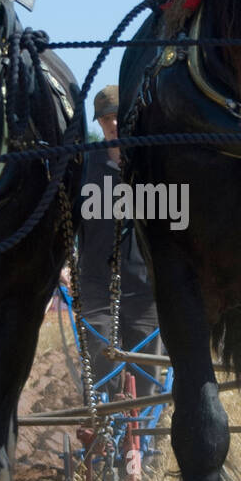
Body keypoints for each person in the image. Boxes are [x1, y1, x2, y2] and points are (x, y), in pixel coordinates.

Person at [75, 85, 162, 397]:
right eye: (105, 119)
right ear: (98, 124)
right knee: (101, 365)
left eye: (118, 117)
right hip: (96, 284)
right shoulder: (84, 167)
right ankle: (105, 433)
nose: (113, 124)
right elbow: (64, 221)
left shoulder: (153, 165)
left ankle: (145, 444)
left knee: (148, 372)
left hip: (146, 286)